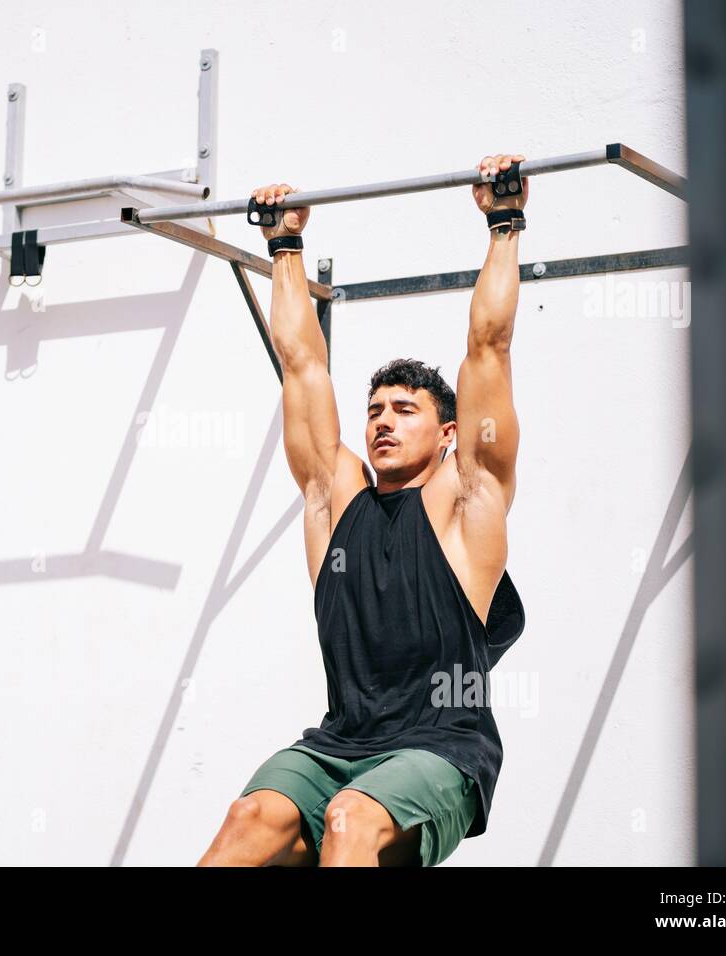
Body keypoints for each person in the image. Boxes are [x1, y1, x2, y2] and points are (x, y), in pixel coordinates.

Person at [197, 154, 529, 867]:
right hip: (337, 743)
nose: (382, 421)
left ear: (446, 435)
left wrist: (503, 222)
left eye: (404, 410)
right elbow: (301, 366)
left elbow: (488, 349)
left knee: (350, 822)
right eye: (374, 410)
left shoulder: (466, 508)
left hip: (442, 749)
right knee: (250, 817)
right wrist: (284, 245)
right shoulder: (333, 497)